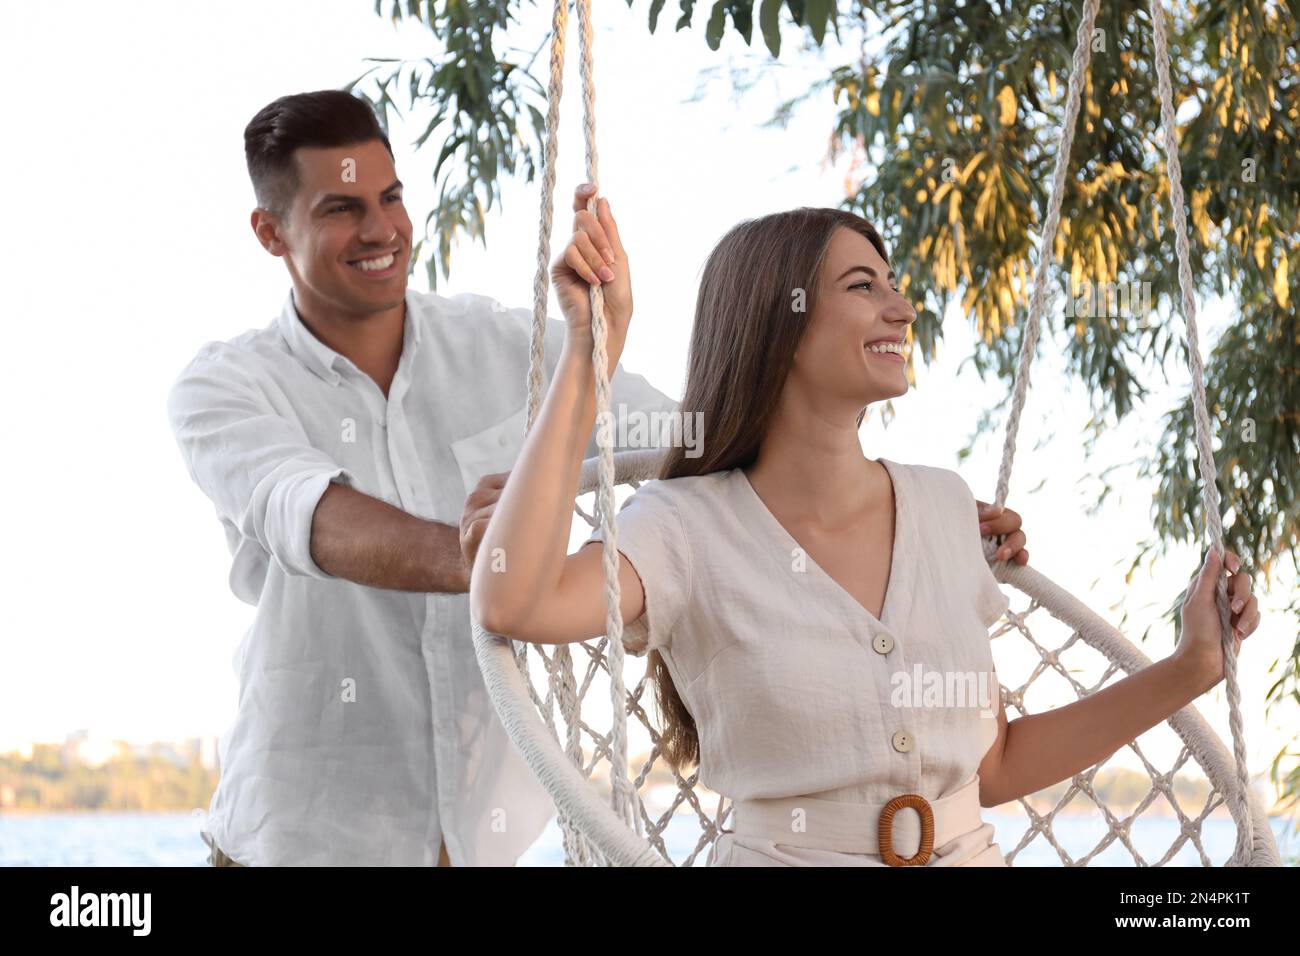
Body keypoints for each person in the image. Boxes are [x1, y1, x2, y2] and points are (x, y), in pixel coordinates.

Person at [464, 195, 1260, 866]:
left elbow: (995, 765)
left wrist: (1190, 666)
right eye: (862, 285)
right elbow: (515, 602)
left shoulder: (947, 510)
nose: (901, 307)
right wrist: (590, 354)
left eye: (893, 284)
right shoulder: (682, 528)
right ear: (779, 321)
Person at [167, 89, 678, 867]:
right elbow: (317, 521)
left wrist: (598, 343)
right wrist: (496, 560)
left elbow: (683, 441)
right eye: (341, 209)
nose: (381, 230)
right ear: (270, 233)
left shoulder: (508, 346)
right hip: (296, 847)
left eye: (391, 197)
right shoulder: (224, 388)